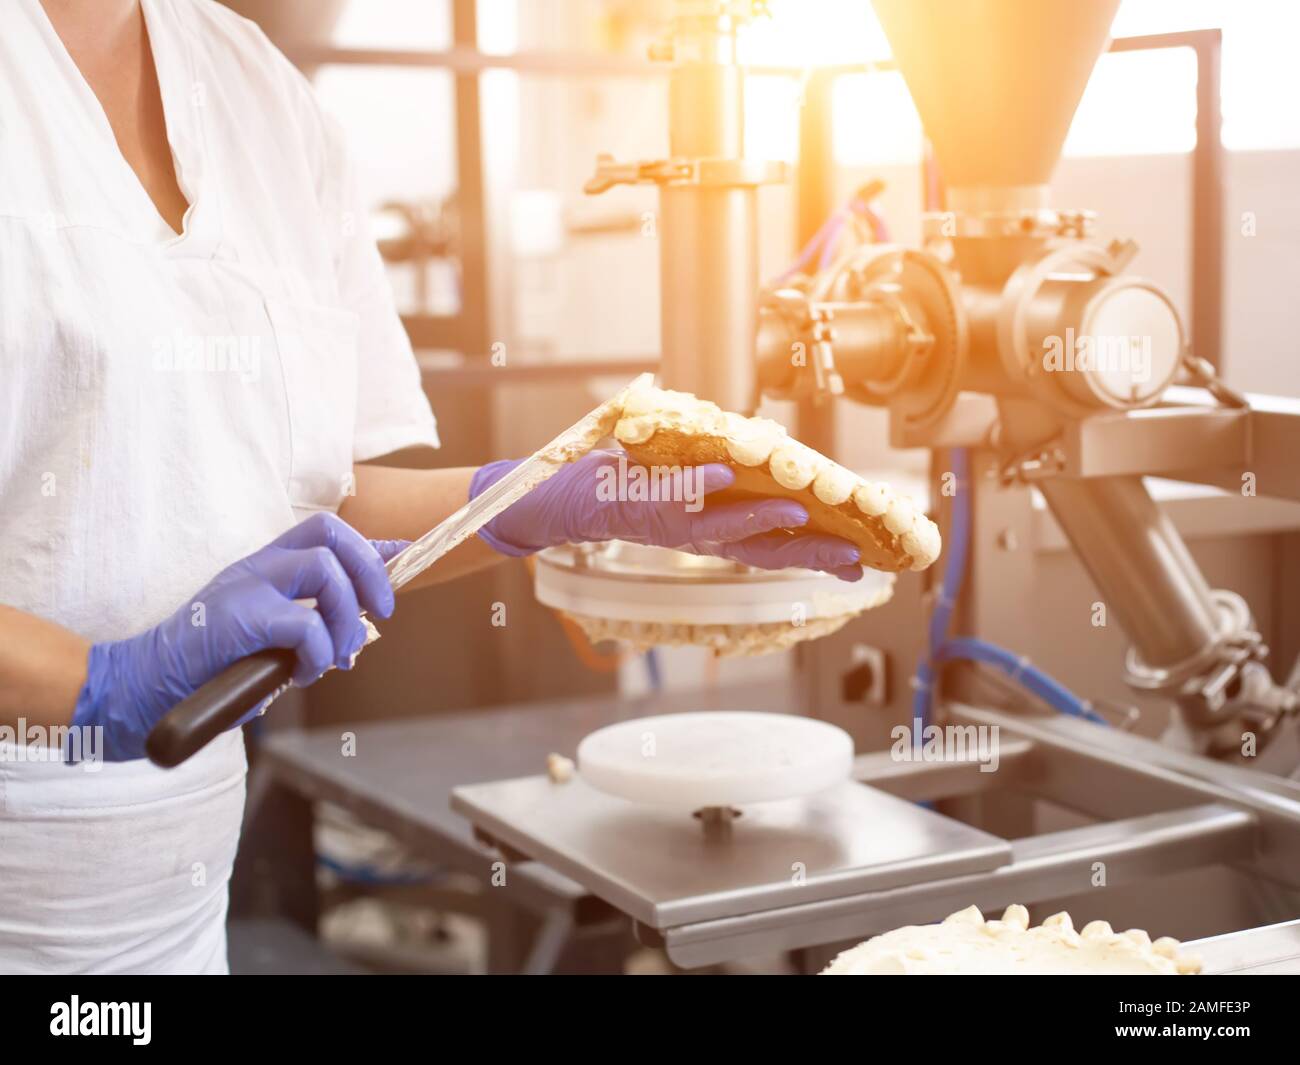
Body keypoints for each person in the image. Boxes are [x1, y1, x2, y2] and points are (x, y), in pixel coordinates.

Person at [0, 0, 862, 973]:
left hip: (169, 910)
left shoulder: (260, 96)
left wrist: (540, 501)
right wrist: (96, 689)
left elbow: (322, 497)